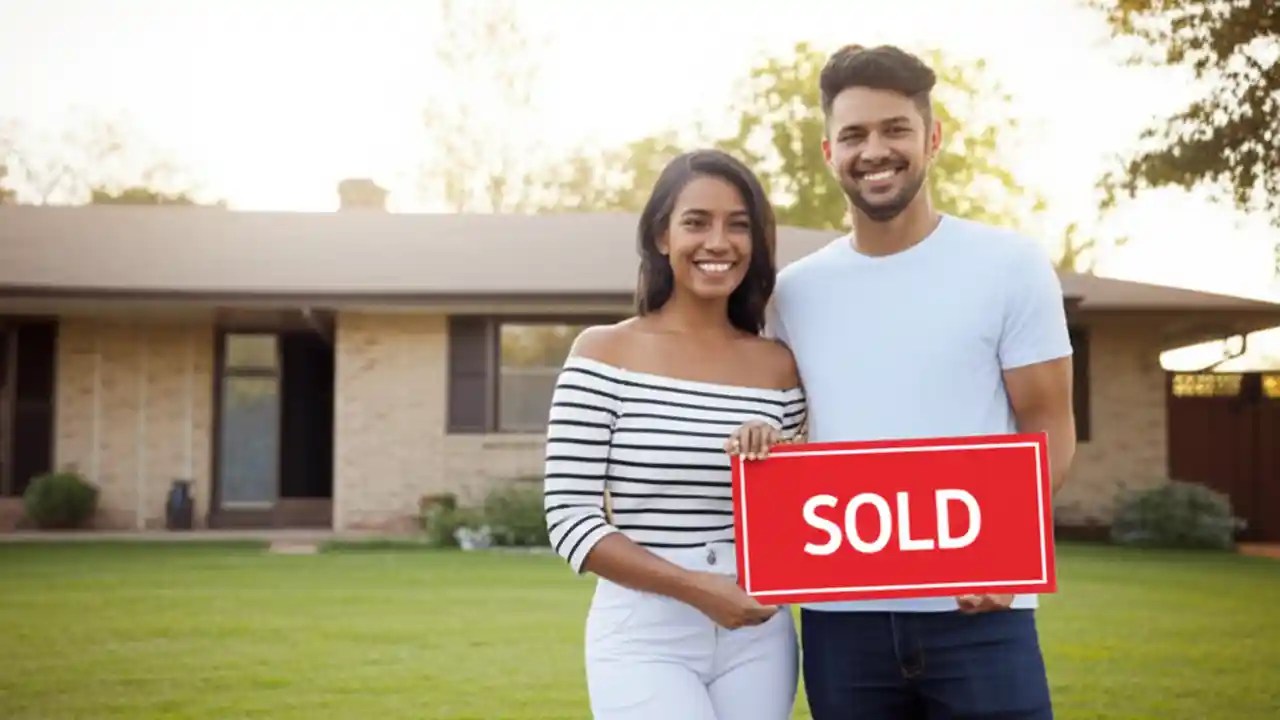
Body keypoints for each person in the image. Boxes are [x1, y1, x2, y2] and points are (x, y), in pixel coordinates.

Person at [728, 44, 1078, 719]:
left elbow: (1049, 422)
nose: (875, 150)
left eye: (895, 129)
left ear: (933, 139)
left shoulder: (1009, 266)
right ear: (829, 152)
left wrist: (1009, 555)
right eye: (854, 134)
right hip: (842, 618)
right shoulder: (792, 294)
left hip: (978, 609)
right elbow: (781, 424)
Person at [542, 148, 808, 719]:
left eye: (739, 225)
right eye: (696, 222)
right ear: (662, 236)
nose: (719, 242)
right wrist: (697, 588)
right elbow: (568, 516)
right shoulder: (603, 353)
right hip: (645, 634)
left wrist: (782, 455)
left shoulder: (780, 366)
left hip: (759, 634)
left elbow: (801, 514)